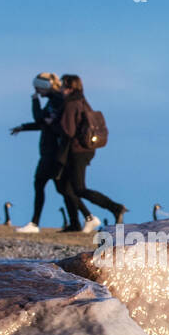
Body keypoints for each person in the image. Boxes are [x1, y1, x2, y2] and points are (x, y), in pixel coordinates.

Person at [8, 73, 91, 233]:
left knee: (45, 184)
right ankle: (86, 218)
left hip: (53, 152)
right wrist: (24, 127)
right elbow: (44, 123)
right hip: (52, 151)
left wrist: (34, 101)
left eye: (38, 88)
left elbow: (43, 120)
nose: (37, 91)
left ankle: (35, 223)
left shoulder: (57, 101)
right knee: (63, 188)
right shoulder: (57, 101)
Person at [55, 74, 127, 229]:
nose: (60, 89)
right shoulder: (82, 101)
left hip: (77, 151)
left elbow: (69, 131)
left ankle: (115, 207)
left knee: (79, 188)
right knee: (66, 187)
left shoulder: (71, 104)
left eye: (62, 86)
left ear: (69, 88)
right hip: (86, 149)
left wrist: (53, 124)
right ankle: (77, 222)